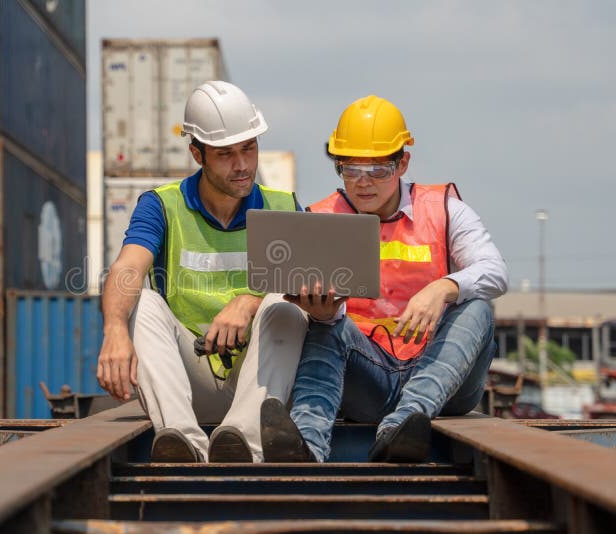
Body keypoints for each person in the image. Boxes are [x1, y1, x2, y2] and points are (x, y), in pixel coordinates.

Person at [260, 95, 508, 463]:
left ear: (403, 161)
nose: (363, 183)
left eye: (377, 170)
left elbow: (495, 270)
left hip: (444, 376)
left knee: (477, 308)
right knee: (321, 327)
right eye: (350, 169)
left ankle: (403, 426)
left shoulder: (445, 210)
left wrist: (443, 288)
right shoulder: (318, 219)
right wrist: (323, 314)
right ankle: (306, 445)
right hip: (368, 378)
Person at [97, 81, 308, 463]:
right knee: (140, 301)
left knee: (285, 301)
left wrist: (251, 300)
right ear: (198, 153)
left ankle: (242, 443)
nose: (243, 165)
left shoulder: (284, 207)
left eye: (249, 148)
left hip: (258, 382)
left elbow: (314, 293)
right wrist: (113, 329)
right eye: (226, 154)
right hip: (188, 379)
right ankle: (183, 442)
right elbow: (128, 267)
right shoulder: (163, 206)